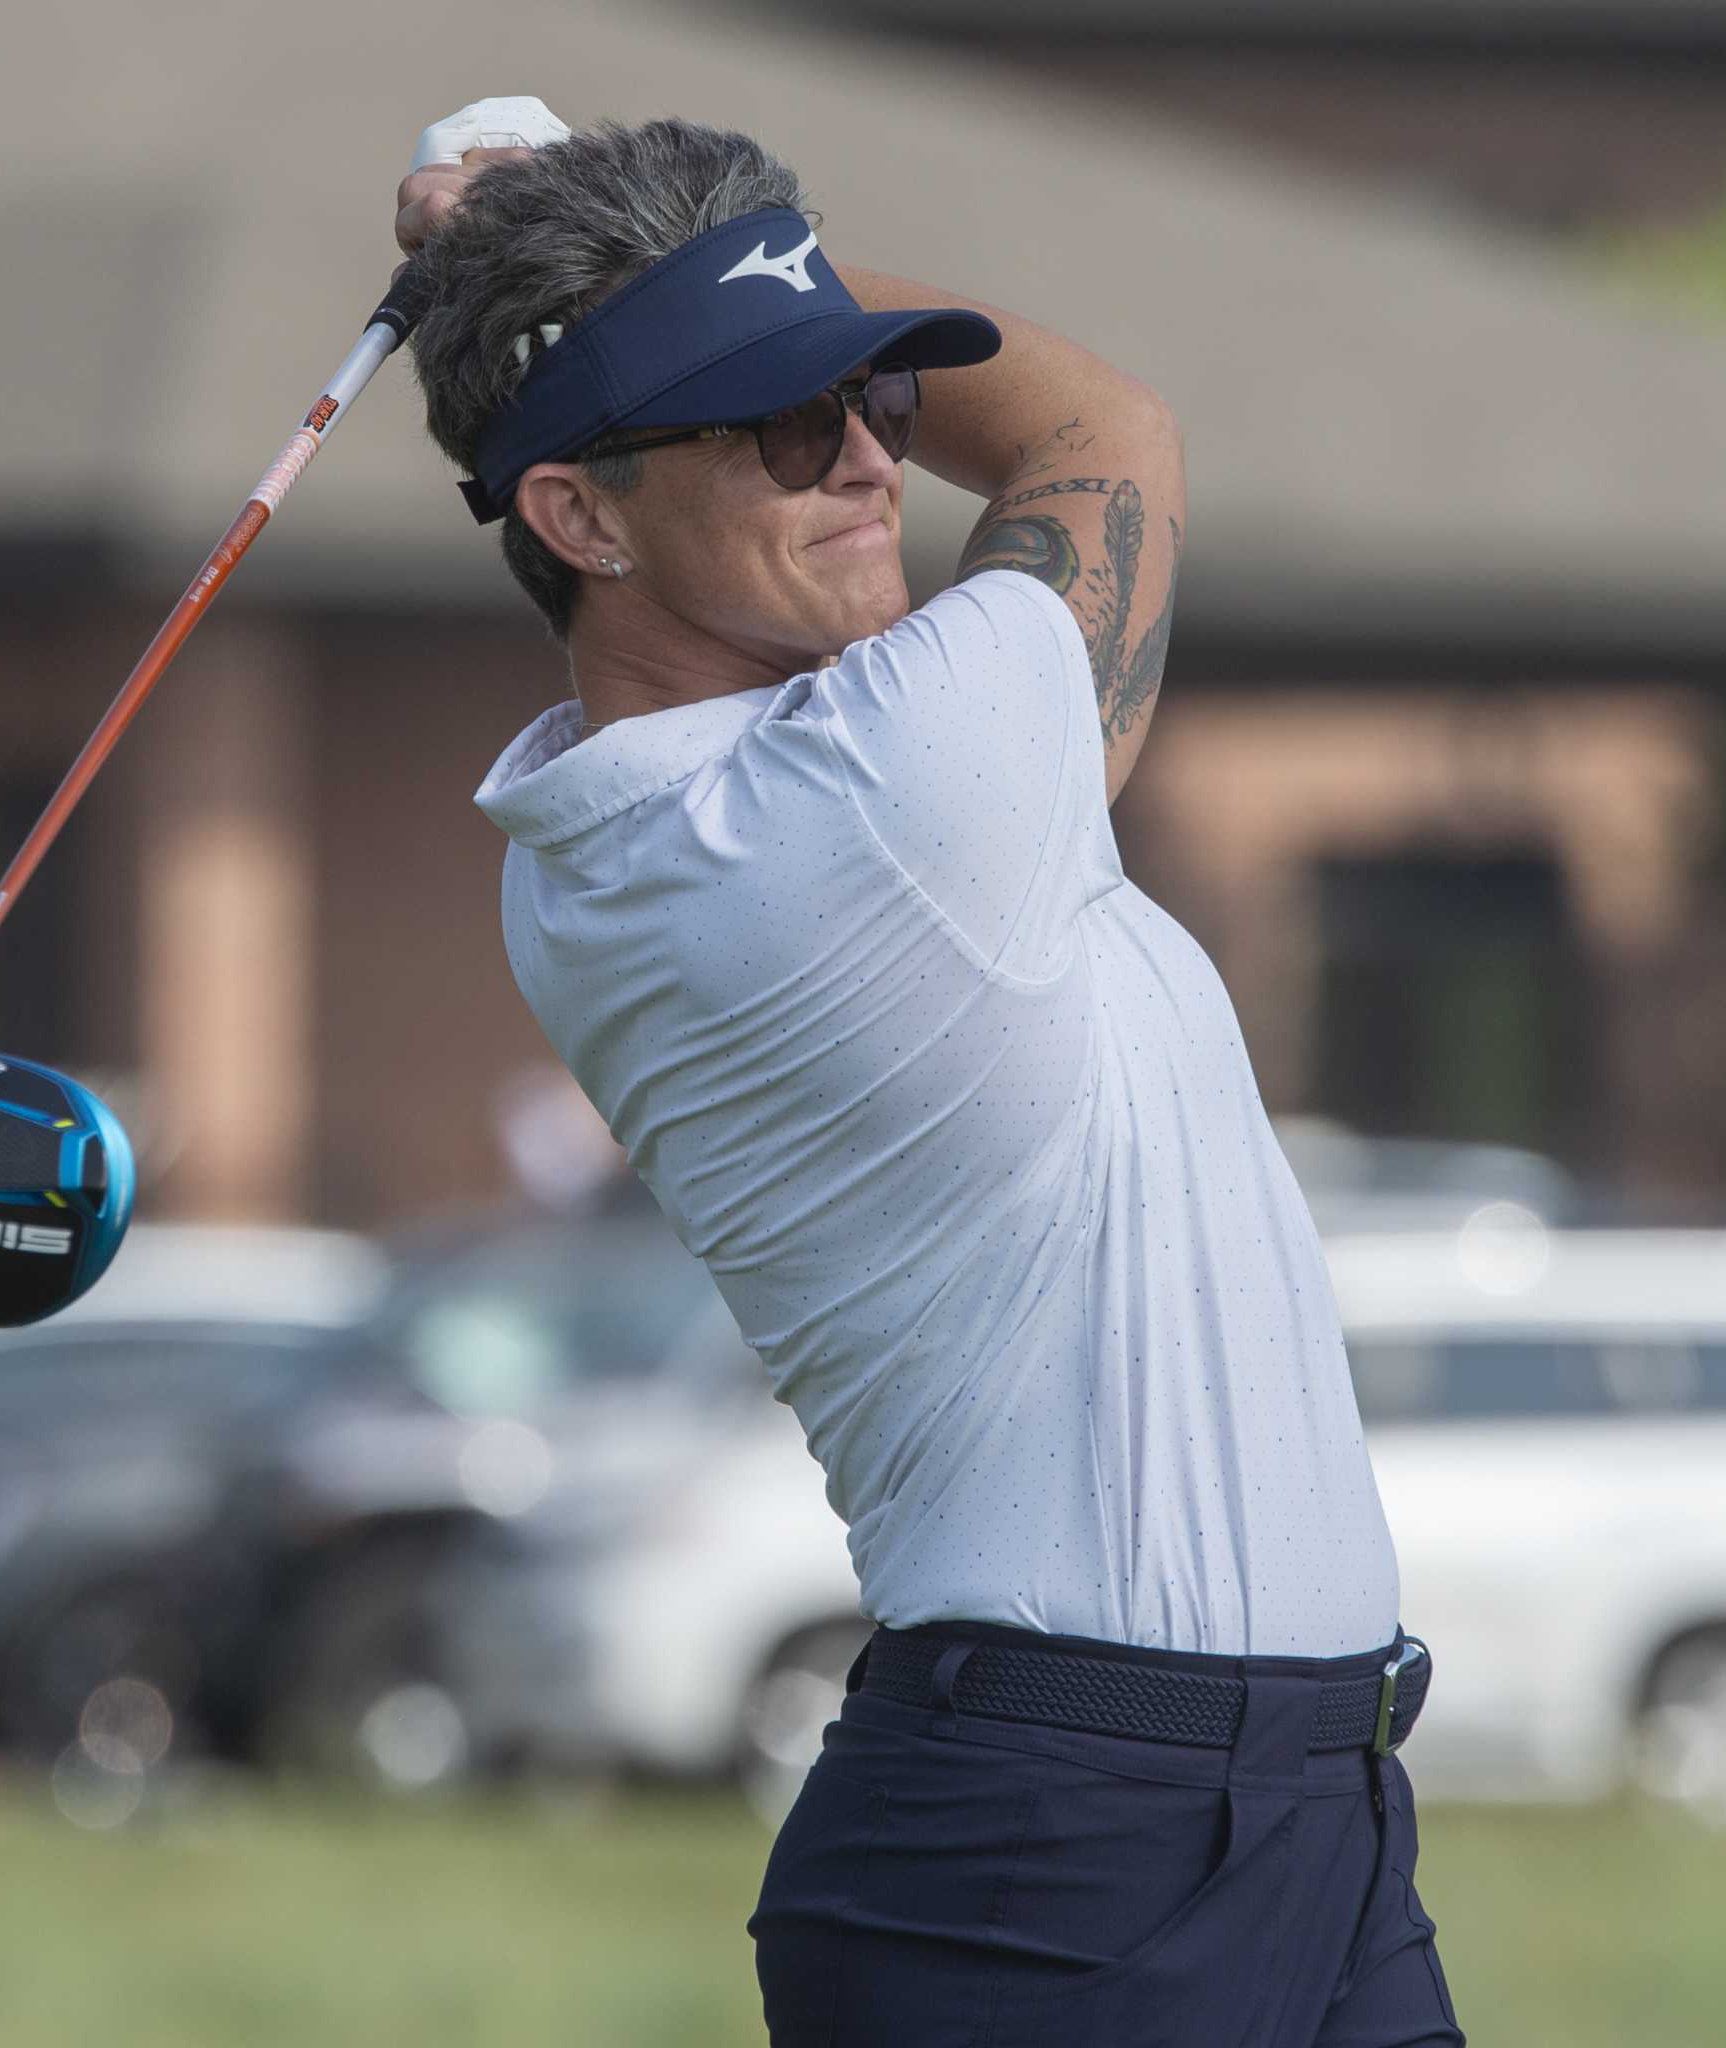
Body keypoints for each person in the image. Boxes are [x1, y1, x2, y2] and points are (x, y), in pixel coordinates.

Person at [392, 108, 1462, 2048]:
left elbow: (978, 451)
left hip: (1276, 1808)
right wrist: (579, 264)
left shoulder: (614, 834)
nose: (871, 456)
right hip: (1064, 1846)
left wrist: (570, 292)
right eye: (782, 423)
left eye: (869, 392)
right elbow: (1103, 431)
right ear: (578, 517)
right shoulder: (889, 789)